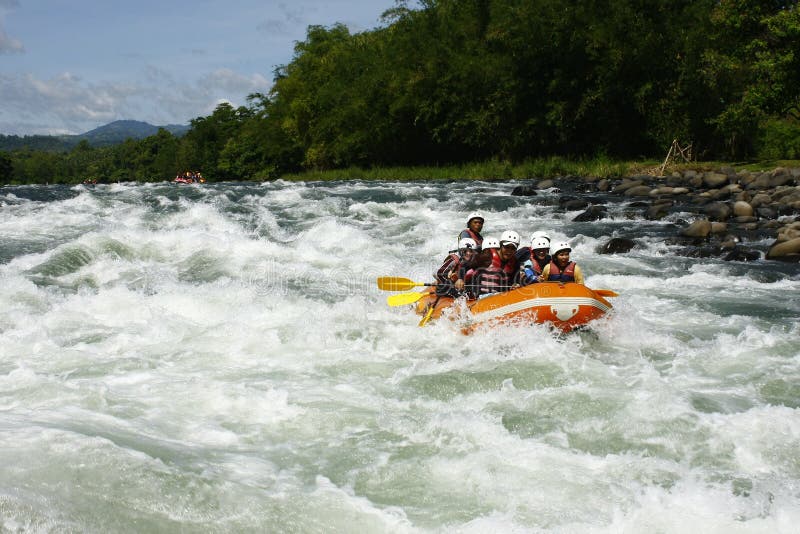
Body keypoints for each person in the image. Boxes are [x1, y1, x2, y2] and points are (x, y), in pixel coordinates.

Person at [467, 230, 521, 297]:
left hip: (502, 297)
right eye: (506, 247)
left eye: (513, 248)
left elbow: (516, 281)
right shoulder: (487, 255)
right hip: (481, 296)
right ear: (500, 245)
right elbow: (466, 265)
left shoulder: (515, 262)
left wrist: (516, 284)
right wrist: (460, 279)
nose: (509, 251)